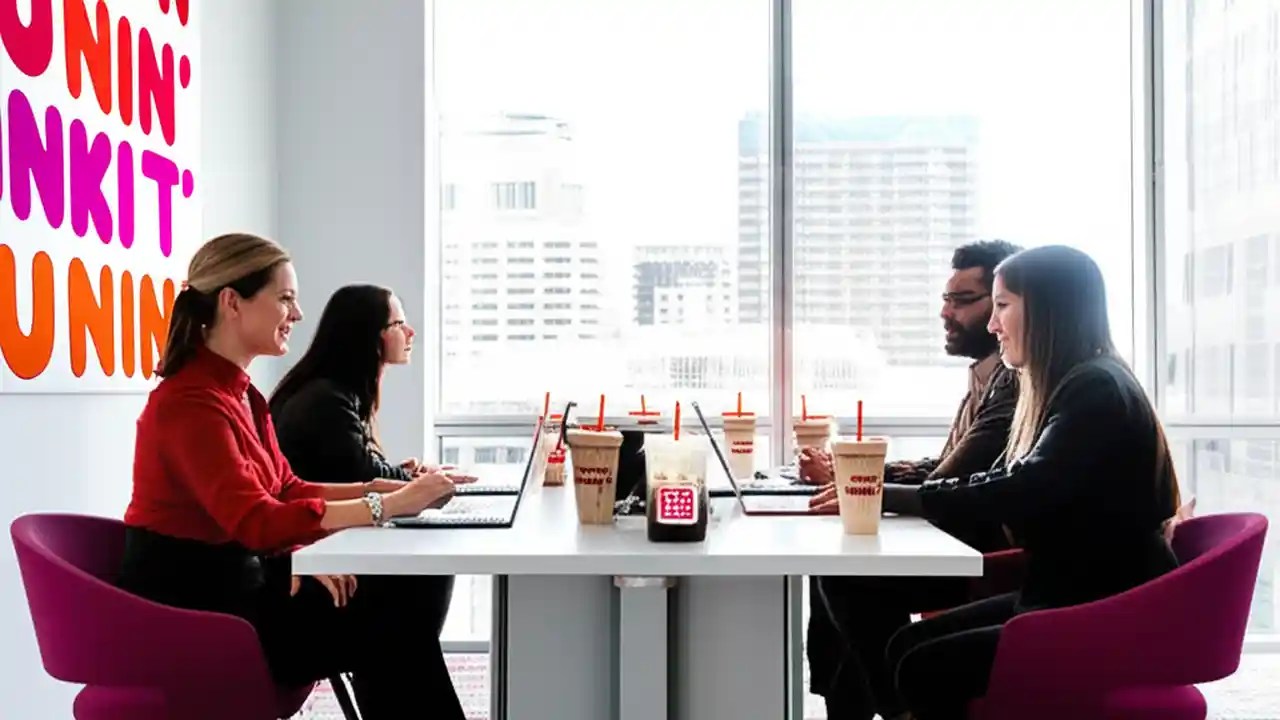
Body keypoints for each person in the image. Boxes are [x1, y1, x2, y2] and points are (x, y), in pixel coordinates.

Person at [116, 233, 466, 720]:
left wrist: (383, 490)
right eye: (285, 299)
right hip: (203, 618)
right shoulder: (188, 405)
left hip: (244, 591)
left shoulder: (242, 396)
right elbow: (258, 522)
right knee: (399, 612)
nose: (297, 315)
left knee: (404, 602)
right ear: (232, 302)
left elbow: (286, 488)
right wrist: (389, 506)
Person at [883, 245, 1181, 720]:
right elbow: (1014, 478)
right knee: (907, 644)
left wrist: (889, 497)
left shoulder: (1095, 387)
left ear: (1047, 311)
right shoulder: (1078, 381)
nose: (992, 325)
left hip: (1110, 611)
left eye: (1002, 306)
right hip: (1068, 595)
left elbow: (1022, 488)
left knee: (922, 666)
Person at [801, 239, 1023, 720]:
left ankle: (895, 709)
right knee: (836, 566)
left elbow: (951, 476)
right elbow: (945, 463)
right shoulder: (984, 376)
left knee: (846, 575)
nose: (947, 313)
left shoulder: (1012, 382)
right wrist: (858, 477)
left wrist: (860, 483)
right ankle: (849, 708)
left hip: (989, 554)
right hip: (966, 538)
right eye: (946, 299)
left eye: (963, 301)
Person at [269, 284, 464, 642]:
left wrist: (408, 477)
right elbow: (361, 474)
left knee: (420, 589)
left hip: (318, 543)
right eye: (399, 323)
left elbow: (356, 467)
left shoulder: (333, 393)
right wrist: (410, 482)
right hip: (300, 558)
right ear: (369, 336)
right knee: (424, 582)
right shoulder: (325, 401)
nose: (410, 332)